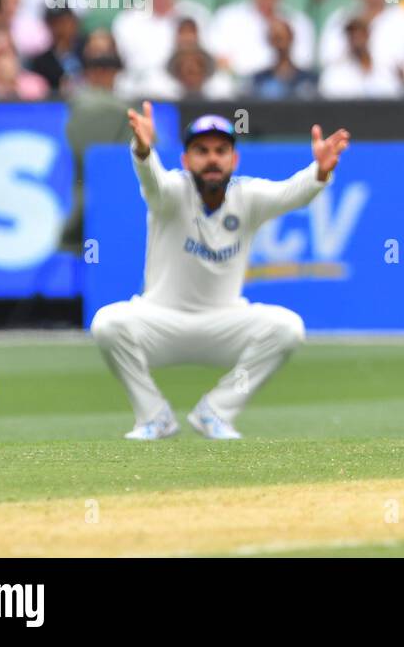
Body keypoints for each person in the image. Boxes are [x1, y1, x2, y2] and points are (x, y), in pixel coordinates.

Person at [90, 107, 350, 439]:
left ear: (234, 160)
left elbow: (291, 194)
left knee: (287, 327)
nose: (212, 159)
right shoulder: (171, 194)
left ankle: (215, 412)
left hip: (223, 323)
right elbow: (151, 179)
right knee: (108, 324)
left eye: (220, 151)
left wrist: (319, 172)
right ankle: (154, 416)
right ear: (185, 160)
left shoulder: (248, 196)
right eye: (202, 151)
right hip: (160, 321)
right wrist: (143, 150)